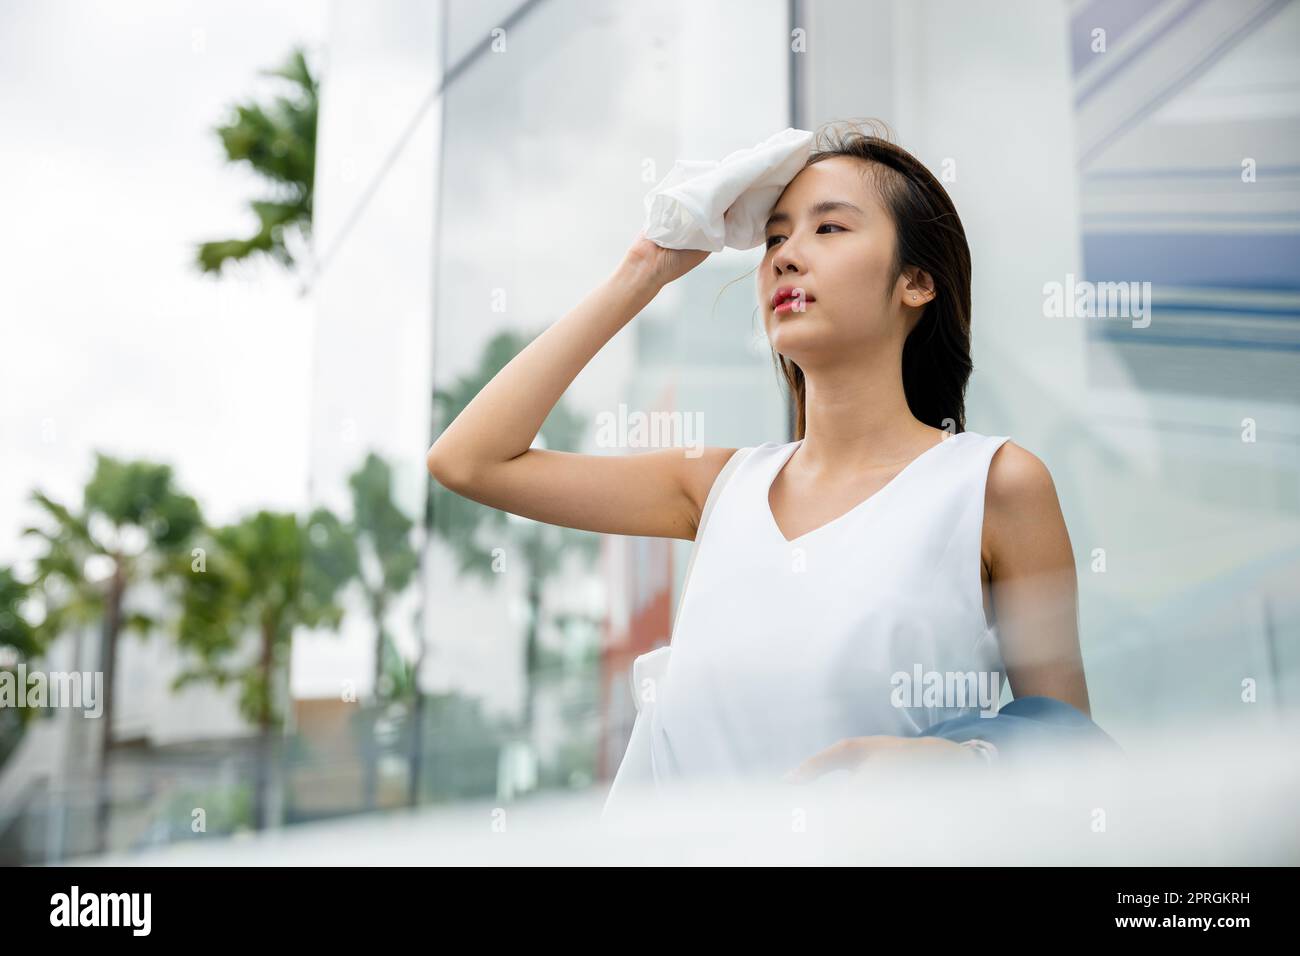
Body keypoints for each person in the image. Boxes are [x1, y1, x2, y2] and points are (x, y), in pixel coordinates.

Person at [426, 120, 1095, 790]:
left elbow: (1068, 752)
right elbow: (471, 460)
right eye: (776, 236)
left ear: (915, 282)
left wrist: (954, 763)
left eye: (828, 229)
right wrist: (646, 268)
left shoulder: (993, 485)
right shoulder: (716, 486)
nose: (786, 255)